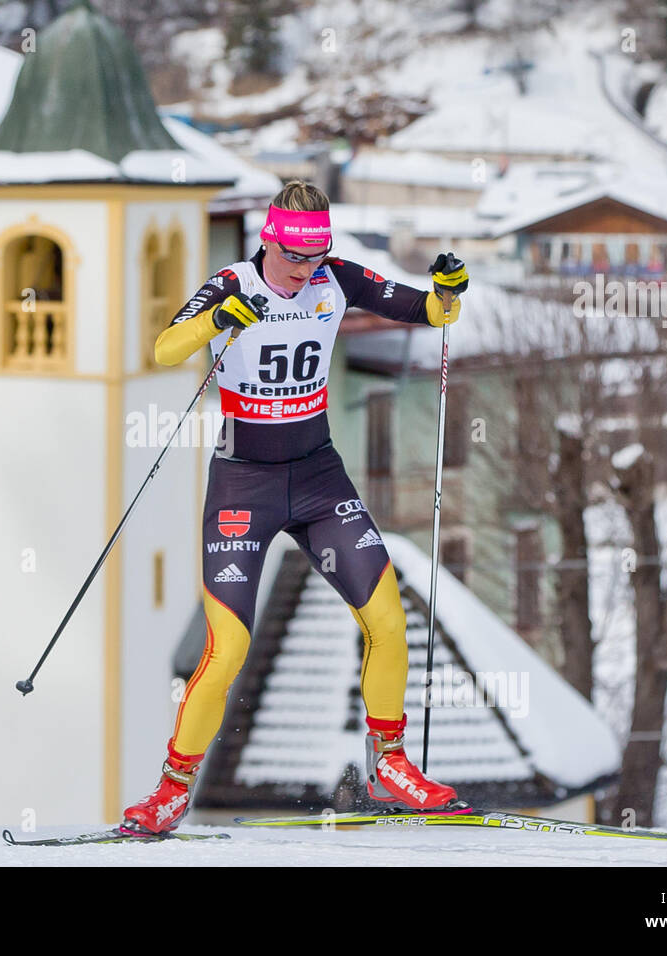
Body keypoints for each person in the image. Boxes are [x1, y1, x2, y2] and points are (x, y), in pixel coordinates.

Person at [121, 180, 469, 835]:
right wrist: (216, 321)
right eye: (293, 258)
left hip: (317, 481)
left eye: (315, 257)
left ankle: (389, 763)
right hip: (242, 488)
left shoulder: (335, 278)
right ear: (269, 240)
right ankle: (170, 791)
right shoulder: (231, 283)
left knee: (388, 619)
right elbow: (164, 349)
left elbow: (432, 313)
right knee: (227, 648)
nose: (305, 271)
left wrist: (448, 290)